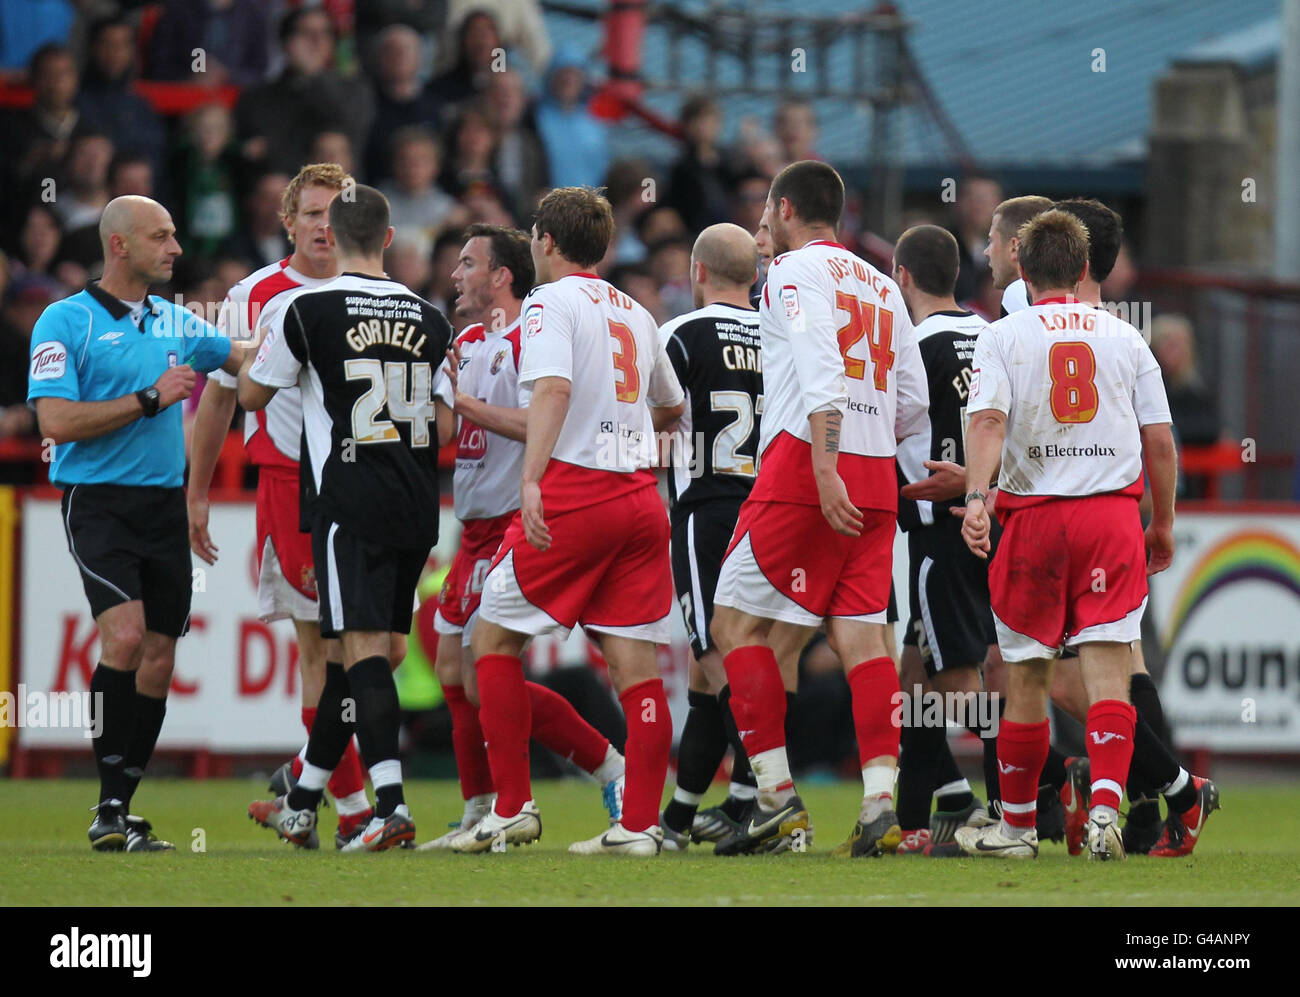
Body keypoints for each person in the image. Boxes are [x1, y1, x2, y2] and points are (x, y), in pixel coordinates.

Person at [954, 209, 1217, 860]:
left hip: (1034, 518)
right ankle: (1105, 809)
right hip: (1107, 516)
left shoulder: (1003, 335)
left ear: (1021, 266)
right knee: (1108, 675)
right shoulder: (1126, 338)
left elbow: (987, 422)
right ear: (1082, 269)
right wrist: (1162, 521)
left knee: (1028, 679)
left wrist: (977, 496)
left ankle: (1016, 828)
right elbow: (1160, 438)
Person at [708, 160, 930, 857]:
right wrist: (865, 449)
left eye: (767, 211)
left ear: (783, 208)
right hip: (876, 472)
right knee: (864, 640)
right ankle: (878, 807)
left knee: (730, 622)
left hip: (811, 463)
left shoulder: (795, 273)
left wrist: (827, 464)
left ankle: (776, 800)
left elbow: (819, 367)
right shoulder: (885, 283)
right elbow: (914, 400)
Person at [457, 186, 685, 856]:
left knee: (492, 641)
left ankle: (513, 806)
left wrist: (530, 478)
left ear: (544, 242)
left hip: (578, 494)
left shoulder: (548, 302)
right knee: (637, 671)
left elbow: (552, 388)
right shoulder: (637, 311)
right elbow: (669, 405)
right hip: (642, 499)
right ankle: (640, 824)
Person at [240, 184, 455, 852]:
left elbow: (252, 392)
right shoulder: (430, 315)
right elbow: (446, 421)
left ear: (331, 231)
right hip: (419, 504)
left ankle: (387, 806)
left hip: (348, 500)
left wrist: (248, 354)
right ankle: (303, 801)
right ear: (391, 239)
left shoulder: (304, 308)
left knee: (360, 655)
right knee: (363, 659)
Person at [28, 195, 245, 851]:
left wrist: (305, 349)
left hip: (162, 505)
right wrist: (150, 398)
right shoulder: (64, 321)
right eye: (162, 236)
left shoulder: (179, 321)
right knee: (122, 636)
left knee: (158, 655)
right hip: (97, 502)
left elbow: (245, 367)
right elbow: (56, 423)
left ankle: (117, 807)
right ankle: (107, 806)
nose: (176, 248)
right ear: (119, 245)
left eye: (176, 235)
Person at [420, 224, 628, 849]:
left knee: (486, 669)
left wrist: (464, 403)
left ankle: (597, 770)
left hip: (517, 520)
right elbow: (446, 431)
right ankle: (479, 805)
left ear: (501, 276)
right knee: (453, 672)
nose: (455, 275)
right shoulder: (466, 342)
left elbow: (538, 421)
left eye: (467, 263)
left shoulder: (528, 339)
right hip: (471, 525)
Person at [189, 163, 376, 849]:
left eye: (337, 213)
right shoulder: (255, 293)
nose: (325, 226)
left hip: (365, 487)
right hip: (291, 481)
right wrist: (198, 489)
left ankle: (307, 774)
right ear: (288, 221)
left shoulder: (373, 292)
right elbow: (215, 396)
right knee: (324, 646)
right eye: (313, 213)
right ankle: (352, 805)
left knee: (371, 645)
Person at [655, 223, 764, 850]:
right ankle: (679, 819)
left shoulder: (681, 335)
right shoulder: (778, 339)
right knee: (715, 669)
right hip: (767, 508)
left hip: (707, 509)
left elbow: (654, 424)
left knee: (716, 654)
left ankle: (772, 796)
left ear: (698, 272)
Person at [890, 224, 996, 856]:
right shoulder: (991, 334)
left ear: (903, 277)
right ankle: (912, 820)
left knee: (958, 682)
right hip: (994, 518)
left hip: (939, 531)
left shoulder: (911, 346)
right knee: (917, 679)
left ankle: (1040, 781)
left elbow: (884, 427)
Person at [985, 195, 1052, 316]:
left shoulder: (1015, 293)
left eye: (991, 241)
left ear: (1015, 248)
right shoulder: (1076, 294)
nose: (986, 252)